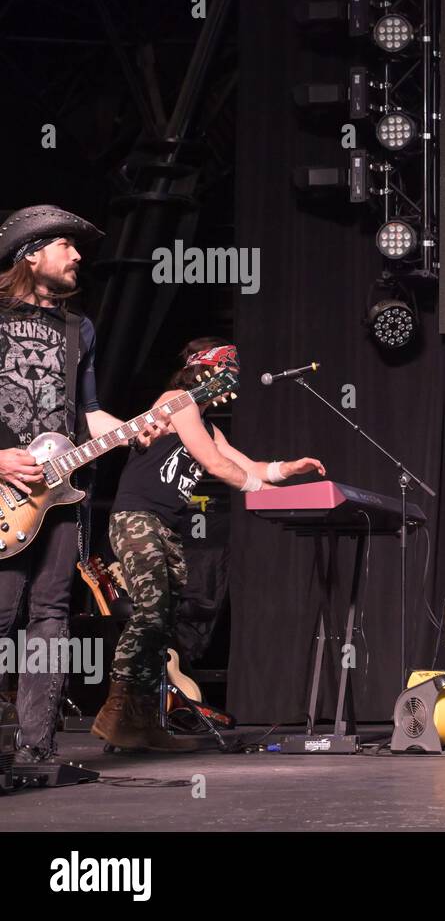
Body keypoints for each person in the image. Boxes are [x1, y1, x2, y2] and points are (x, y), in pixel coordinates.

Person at [91, 339, 325, 750]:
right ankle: (115, 709)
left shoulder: (209, 425)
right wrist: (260, 493)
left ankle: (141, 722)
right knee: (149, 615)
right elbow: (215, 464)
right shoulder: (176, 400)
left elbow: (247, 465)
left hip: (166, 525)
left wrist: (288, 469)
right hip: (136, 516)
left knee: (162, 624)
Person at [0, 205, 170, 762]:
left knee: (50, 612)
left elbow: (88, 414)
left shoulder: (80, 328)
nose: (77, 256)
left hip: (59, 493)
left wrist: (134, 429)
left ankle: (36, 750)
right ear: (31, 252)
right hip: (4, 492)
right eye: (66, 246)